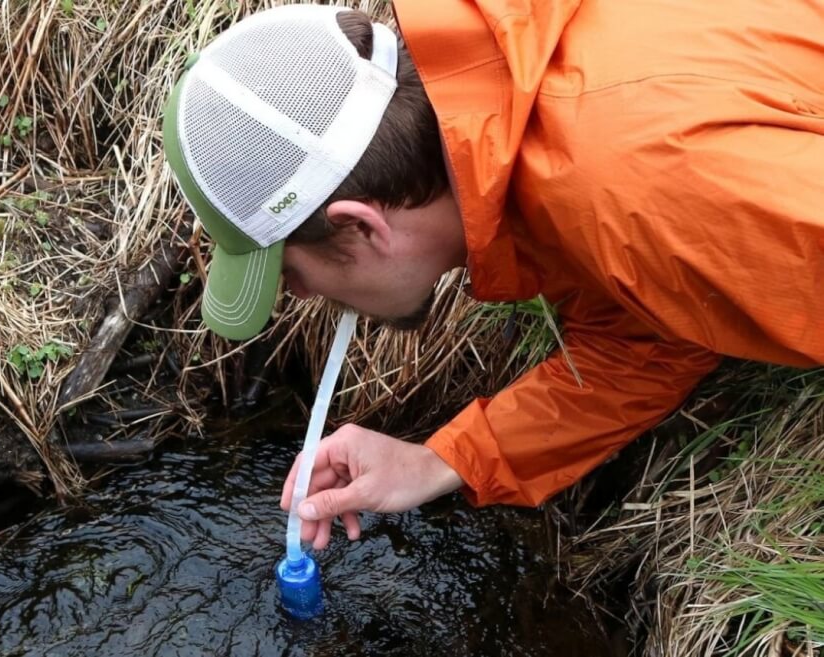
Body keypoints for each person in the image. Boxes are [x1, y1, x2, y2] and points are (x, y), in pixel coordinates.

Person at [163, 1, 824, 551]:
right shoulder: (513, 109)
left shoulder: (641, 190)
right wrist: (442, 459)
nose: (305, 297)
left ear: (362, 225)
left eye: (292, 276)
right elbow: (658, 326)